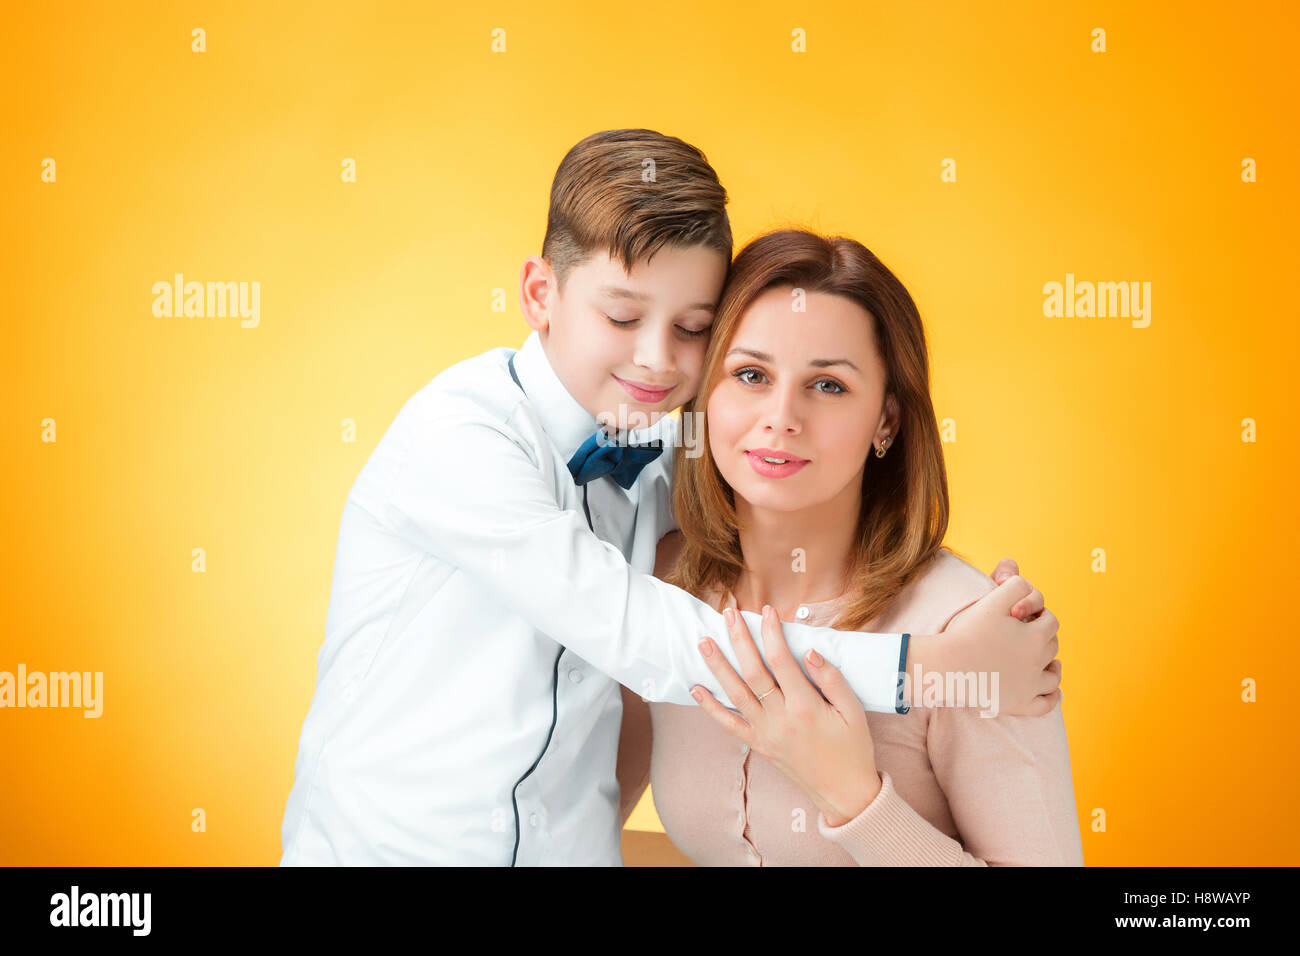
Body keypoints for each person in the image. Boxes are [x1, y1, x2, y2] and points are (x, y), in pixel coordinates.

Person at [280, 130, 1062, 866]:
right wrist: (929, 671)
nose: (657, 361)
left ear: (888, 415)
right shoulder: (463, 439)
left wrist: (874, 773)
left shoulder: (664, 476)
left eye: (692, 328)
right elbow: (638, 633)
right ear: (538, 294)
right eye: (622, 315)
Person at [618, 229, 1082, 865]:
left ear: (886, 420)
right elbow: (593, 801)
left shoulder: (976, 636)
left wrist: (853, 797)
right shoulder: (664, 581)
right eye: (750, 374)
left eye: (829, 385)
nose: (781, 417)